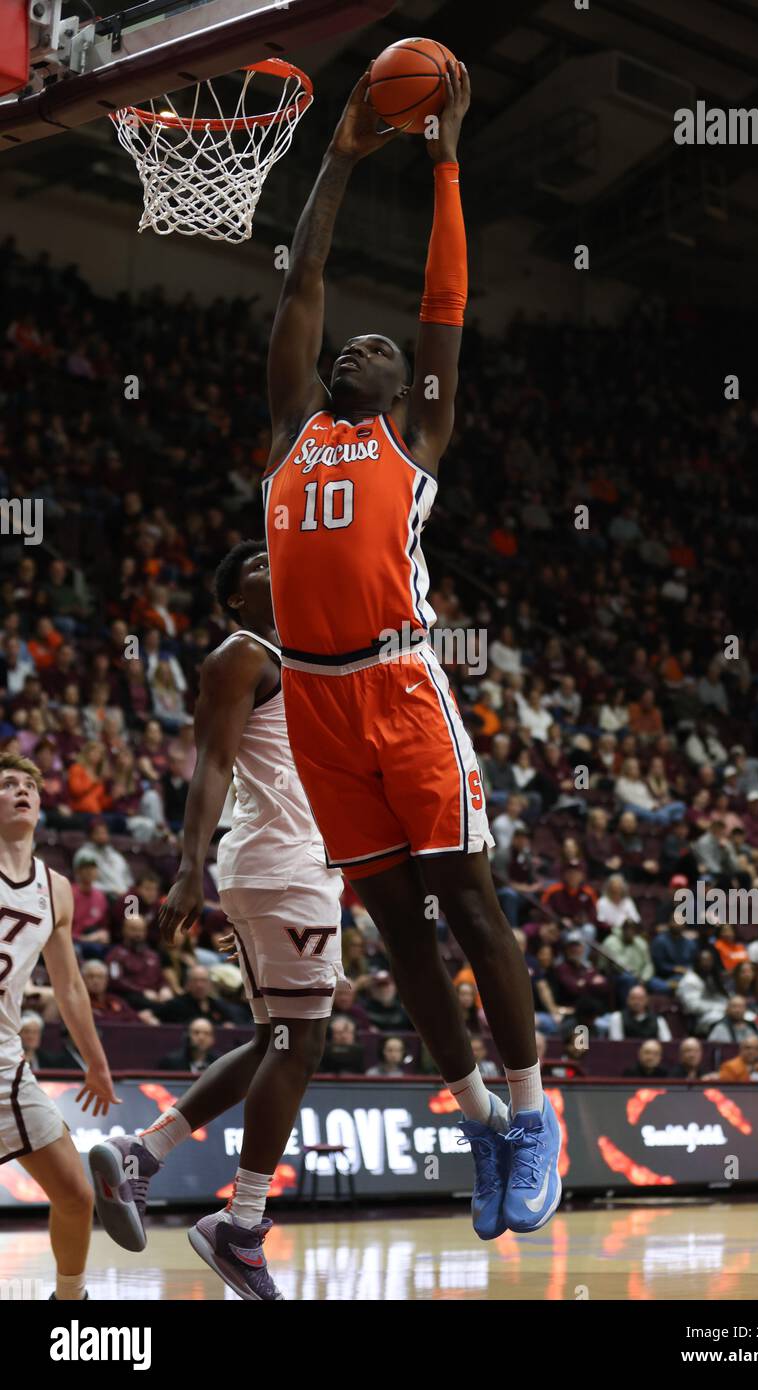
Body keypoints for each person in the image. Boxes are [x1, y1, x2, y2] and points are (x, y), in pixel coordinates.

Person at [261, 63, 559, 1240]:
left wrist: (442, 157)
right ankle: (482, 1116)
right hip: (315, 701)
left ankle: (537, 1116)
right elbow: (303, 282)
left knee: (465, 903)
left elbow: (443, 299)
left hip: (396, 682)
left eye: (380, 351)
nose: (361, 347)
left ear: (403, 390)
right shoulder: (290, 429)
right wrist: (337, 154)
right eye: (353, 345)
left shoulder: (416, 436)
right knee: (393, 930)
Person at [89, 544, 344, 1301]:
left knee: (278, 1038)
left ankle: (144, 1152)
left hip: (300, 870)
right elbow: (212, 765)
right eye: (255, 567)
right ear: (236, 600)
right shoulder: (242, 653)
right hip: (276, 867)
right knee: (301, 1044)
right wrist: (186, 868)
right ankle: (241, 1224)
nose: (276, 564)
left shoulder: (306, 659)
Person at [0, 752, 116, 1300]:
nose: (21, 791)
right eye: (6, 785)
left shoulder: (56, 889)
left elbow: (69, 986)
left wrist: (95, 1061)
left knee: (75, 1193)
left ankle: (70, 1305)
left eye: (29, 786)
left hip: (5, 1061)